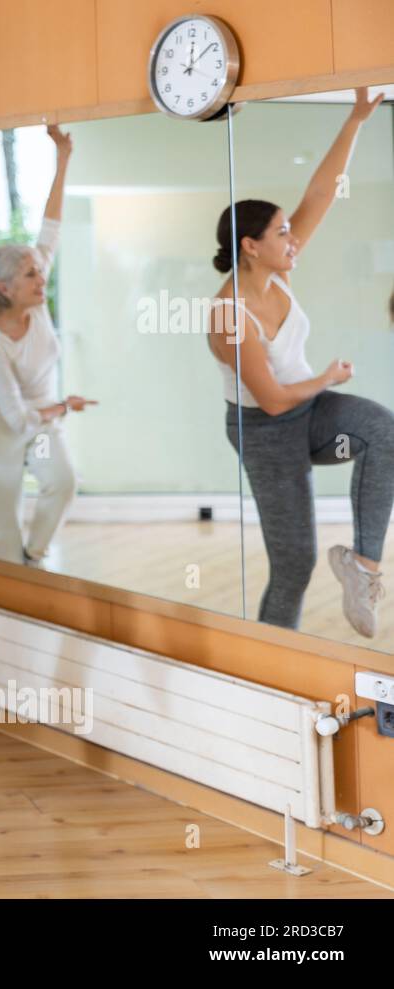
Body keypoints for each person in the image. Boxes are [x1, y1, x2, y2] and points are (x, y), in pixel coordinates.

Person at [207, 87, 393, 636]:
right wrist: (327, 378)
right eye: (282, 233)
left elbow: (321, 192)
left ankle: (362, 566)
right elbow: (270, 398)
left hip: (309, 412)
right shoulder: (228, 314)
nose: (294, 239)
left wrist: (357, 118)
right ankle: (267, 668)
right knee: (294, 564)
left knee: (383, 432)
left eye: (290, 230)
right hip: (265, 429)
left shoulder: (277, 270)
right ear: (250, 245)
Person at [0, 124, 95, 566]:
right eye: (31, 275)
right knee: (0, 528)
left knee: (61, 482)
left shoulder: (37, 306)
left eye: (40, 272)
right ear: (4, 288)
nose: (42, 279)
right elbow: (15, 417)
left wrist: (63, 158)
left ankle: (36, 559)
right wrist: (65, 406)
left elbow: (51, 225)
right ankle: (5, 584)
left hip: (40, 418)